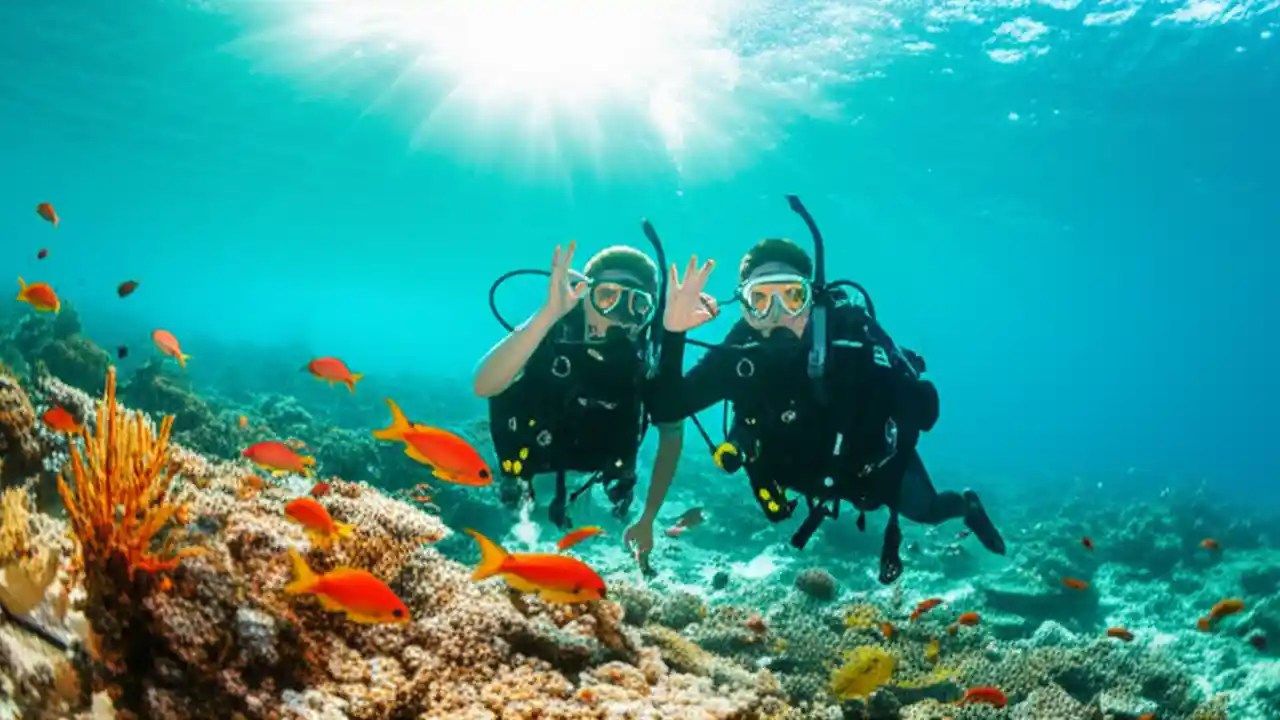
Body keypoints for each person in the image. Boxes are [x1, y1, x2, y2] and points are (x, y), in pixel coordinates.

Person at [639, 200, 1005, 584]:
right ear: (744, 308)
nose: (777, 313)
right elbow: (667, 406)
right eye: (761, 300)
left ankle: (968, 506)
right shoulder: (739, 355)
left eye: (791, 297)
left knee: (928, 511)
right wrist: (674, 332)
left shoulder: (849, 338)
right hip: (790, 474)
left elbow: (924, 410)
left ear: (812, 300)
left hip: (867, 472)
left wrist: (893, 384)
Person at [474, 241, 692, 551]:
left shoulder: (646, 364)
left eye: (638, 305)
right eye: (607, 296)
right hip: (533, 453)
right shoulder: (547, 334)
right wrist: (547, 316)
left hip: (601, 459)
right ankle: (517, 486)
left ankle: (611, 489)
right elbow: (484, 385)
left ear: (649, 313)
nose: (619, 315)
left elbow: (672, 432)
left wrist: (648, 518)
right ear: (583, 297)